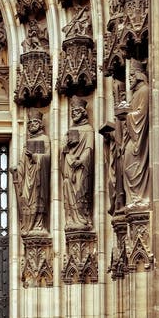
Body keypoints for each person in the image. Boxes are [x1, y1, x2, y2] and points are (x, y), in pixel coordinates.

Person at [117, 61, 150, 207]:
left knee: (133, 167)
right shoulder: (137, 93)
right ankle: (134, 199)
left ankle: (140, 198)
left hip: (138, 140)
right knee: (127, 167)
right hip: (131, 137)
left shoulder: (144, 91)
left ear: (139, 75)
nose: (130, 78)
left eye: (131, 75)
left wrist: (127, 114)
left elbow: (141, 115)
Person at [12, 109, 51, 235]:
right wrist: (17, 169)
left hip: (39, 176)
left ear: (40, 124)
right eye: (30, 123)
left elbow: (48, 157)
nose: (32, 124)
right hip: (27, 177)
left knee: (37, 197)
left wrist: (35, 157)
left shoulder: (45, 139)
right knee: (26, 198)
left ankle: (38, 225)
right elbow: (22, 162)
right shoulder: (27, 142)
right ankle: (28, 225)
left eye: (35, 122)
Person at [60, 97, 94, 229]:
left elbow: (89, 149)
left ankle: (82, 218)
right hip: (68, 166)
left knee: (80, 190)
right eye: (72, 112)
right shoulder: (69, 132)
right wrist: (66, 146)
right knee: (68, 188)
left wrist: (80, 161)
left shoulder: (88, 129)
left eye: (77, 111)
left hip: (80, 167)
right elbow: (62, 150)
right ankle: (71, 218)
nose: (74, 114)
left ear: (83, 112)